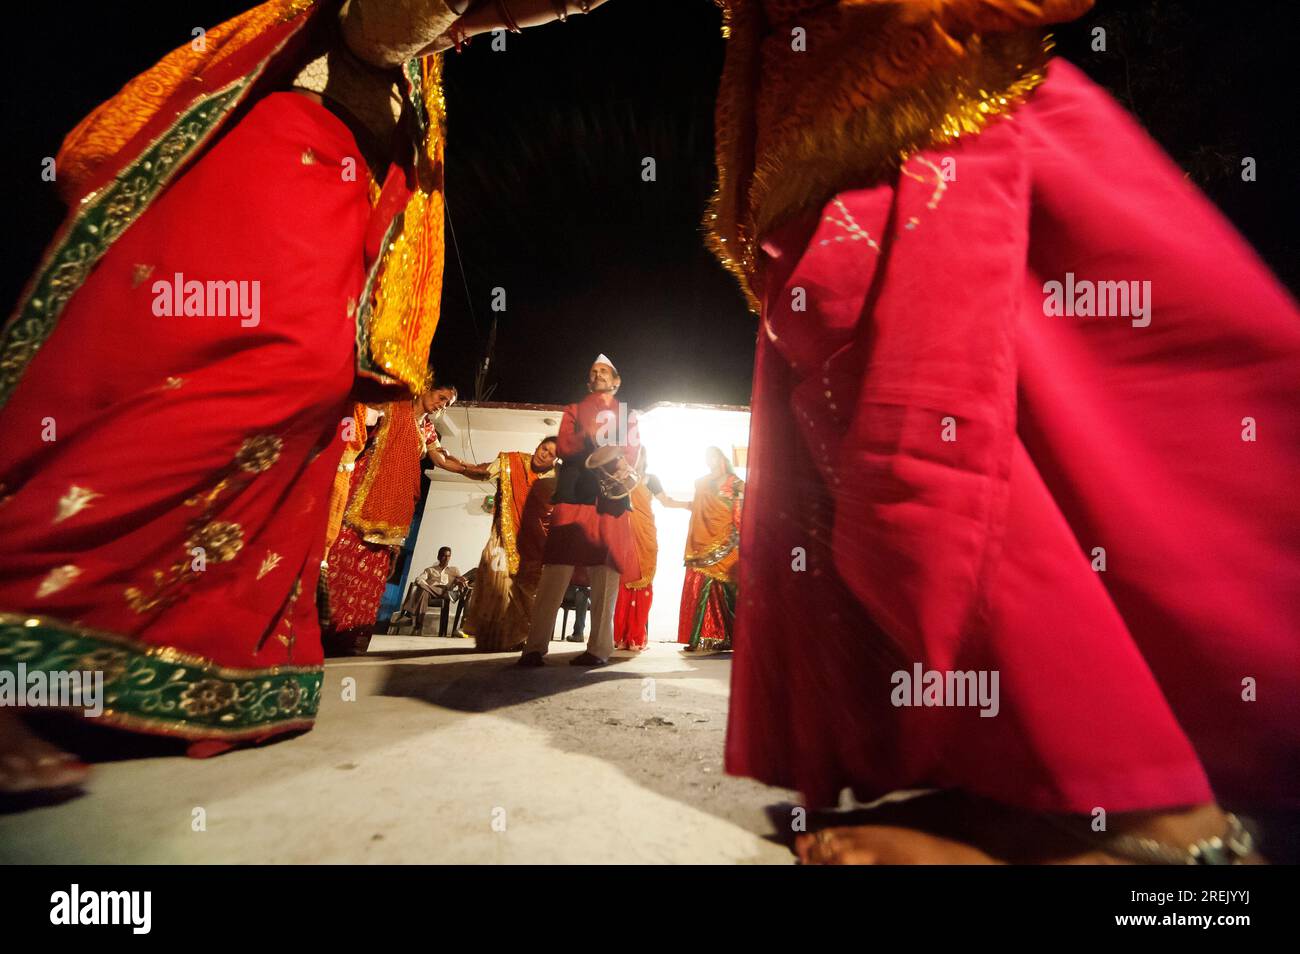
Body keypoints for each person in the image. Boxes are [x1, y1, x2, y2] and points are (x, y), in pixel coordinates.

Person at [705, 0, 1299, 864]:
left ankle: (1165, 834)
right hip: (844, 128)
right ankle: (1052, 788)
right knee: (1025, 422)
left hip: (935, 105)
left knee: (943, 445)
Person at [517, 355, 639, 667]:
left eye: (604, 371)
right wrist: (595, 437)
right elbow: (567, 447)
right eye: (593, 372)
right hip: (574, 494)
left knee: (605, 573)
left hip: (609, 500)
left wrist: (625, 464)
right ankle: (534, 647)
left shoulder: (627, 415)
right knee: (556, 569)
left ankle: (598, 649)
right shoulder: (573, 409)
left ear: (616, 381)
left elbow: (632, 449)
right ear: (589, 382)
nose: (598, 374)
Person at [320, 387, 461, 655]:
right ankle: (320, 628)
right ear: (424, 389)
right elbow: (361, 413)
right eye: (440, 397)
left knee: (373, 569)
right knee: (341, 553)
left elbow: (441, 458)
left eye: (448, 404)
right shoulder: (393, 406)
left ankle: (350, 637)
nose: (442, 405)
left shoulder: (428, 430)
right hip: (364, 492)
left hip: (395, 508)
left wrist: (478, 470)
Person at [461, 437, 560, 651]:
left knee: (524, 591)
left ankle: (516, 637)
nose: (545, 454)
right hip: (502, 536)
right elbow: (483, 471)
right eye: (544, 448)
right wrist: (449, 464)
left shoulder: (556, 478)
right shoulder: (511, 462)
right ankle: (491, 638)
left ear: (556, 460)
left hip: (534, 544)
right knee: (494, 582)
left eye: (552, 454)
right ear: (537, 446)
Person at [672, 450, 743, 654]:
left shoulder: (734, 481)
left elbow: (751, 497)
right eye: (707, 457)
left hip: (728, 543)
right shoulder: (701, 482)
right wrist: (675, 504)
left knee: (731, 593)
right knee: (700, 591)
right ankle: (694, 640)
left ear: (722, 459)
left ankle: (736, 638)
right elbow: (698, 506)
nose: (709, 461)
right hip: (703, 543)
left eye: (713, 456)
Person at [613, 472, 676, 651]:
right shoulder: (620, 476)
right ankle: (620, 637)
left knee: (643, 581)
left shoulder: (651, 479)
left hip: (646, 534)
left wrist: (691, 505)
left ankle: (635, 637)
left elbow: (666, 501)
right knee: (623, 583)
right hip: (624, 532)